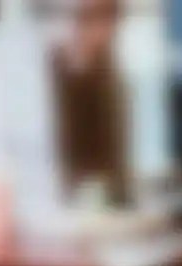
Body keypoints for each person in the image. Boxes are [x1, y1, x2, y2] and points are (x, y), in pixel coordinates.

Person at [48, 0, 130, 207]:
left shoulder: (110, 76)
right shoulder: (51, 73)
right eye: (89, 17)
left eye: (110, 18)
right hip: (59, 208)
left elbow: (117, 173)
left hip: (101, 210)